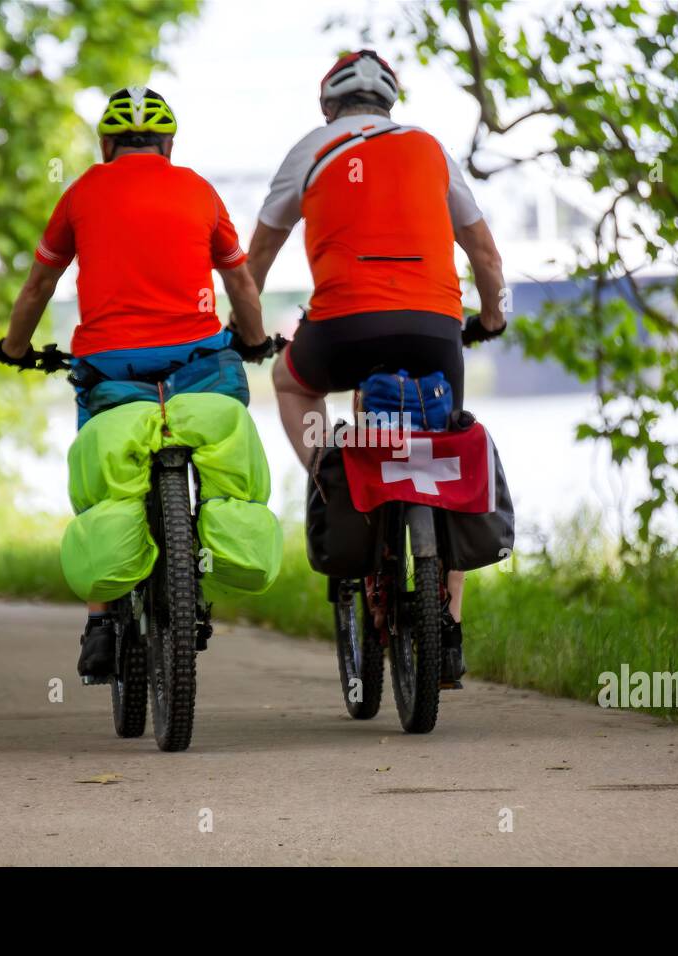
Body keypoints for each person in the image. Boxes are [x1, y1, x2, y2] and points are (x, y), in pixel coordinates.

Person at [246, 51, 506, 685]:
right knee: (443, 445)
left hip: (343, 329)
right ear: (391, 104)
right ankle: (447, 629)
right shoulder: (430, 149)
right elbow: (485, 255)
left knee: (288, 381)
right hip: (435, 330)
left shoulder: (310, 148)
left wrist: (246, 334)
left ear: (326, 106)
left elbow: (254, 263)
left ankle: (331, 476)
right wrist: (491, 319)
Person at [0, 86, 269, 677]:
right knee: (220, 446)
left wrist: (15, 349)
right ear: (169, 144)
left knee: (106, 482)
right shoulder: (198, 189)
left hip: (112, 368)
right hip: (198, 366)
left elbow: (39, 287)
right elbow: (242, 286)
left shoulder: (81, 193)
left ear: (106, 143)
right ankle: (205, 546)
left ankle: (99, 622)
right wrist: (252, 340)